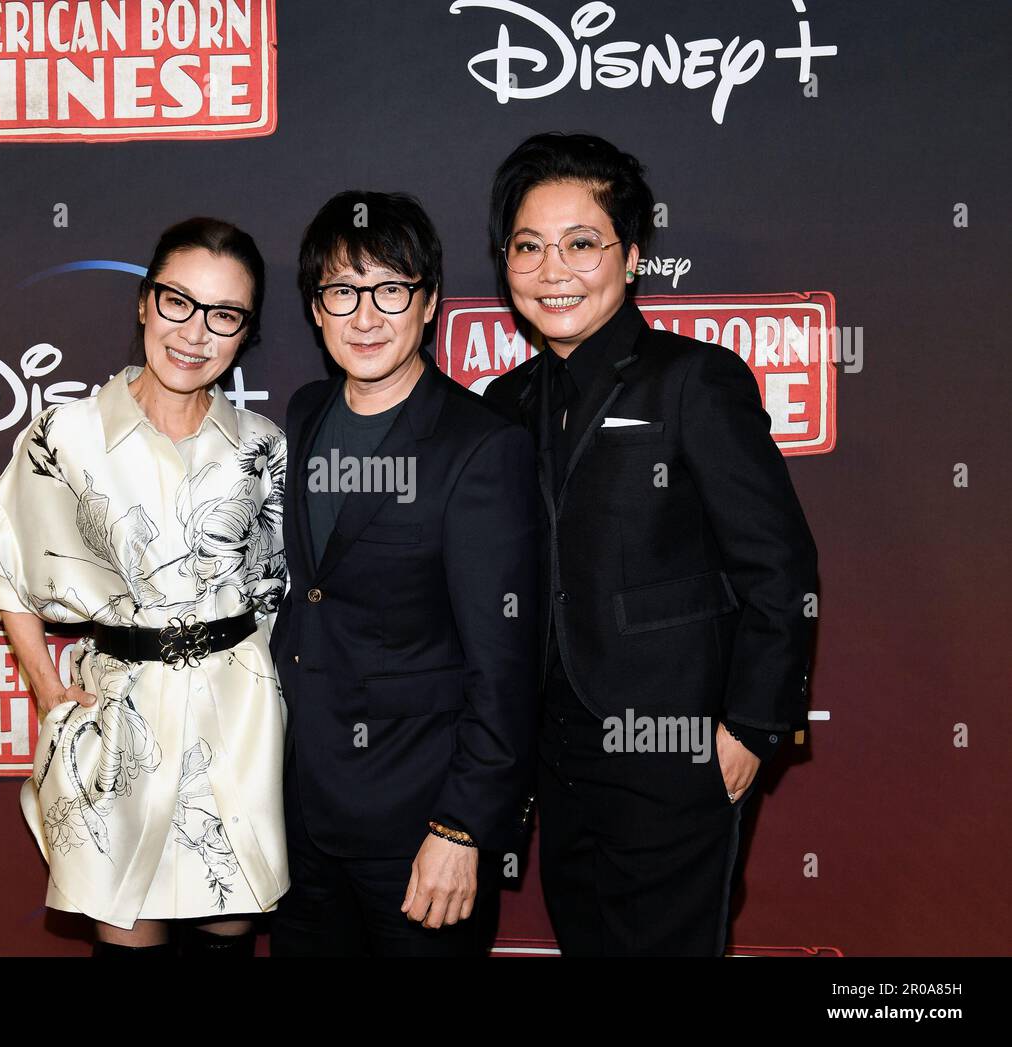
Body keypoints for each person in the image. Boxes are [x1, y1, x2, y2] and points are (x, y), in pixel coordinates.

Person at [483, 132, 818, 956]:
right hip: (556, 757)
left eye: (581, 243)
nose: (553, 269)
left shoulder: (693, 380)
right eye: (529, 246)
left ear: (630, 257)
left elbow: (781, 566)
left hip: (673, 754)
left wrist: (750, 730)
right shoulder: (506, 399)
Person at [0, 217, 289, 957]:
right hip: (119, 718)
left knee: (227, 928)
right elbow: (4, 563)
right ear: (144, 302)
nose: (195, 332)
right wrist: (47, 688)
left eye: (224, 315)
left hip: (234, 717)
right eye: (177, 301)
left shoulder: (262, 445)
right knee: (125, 928)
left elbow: (274, 586)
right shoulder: (66, 434)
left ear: (244, 334)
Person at [268, 191, 540, 957]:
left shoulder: (480, 446)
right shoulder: (306, 410)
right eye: (341, 291)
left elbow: (505, 661)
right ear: (315, 309)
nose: (365, 316)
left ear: (429, 305)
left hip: (417, 823)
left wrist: (462, 825)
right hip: (300, 814)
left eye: (391, 289)